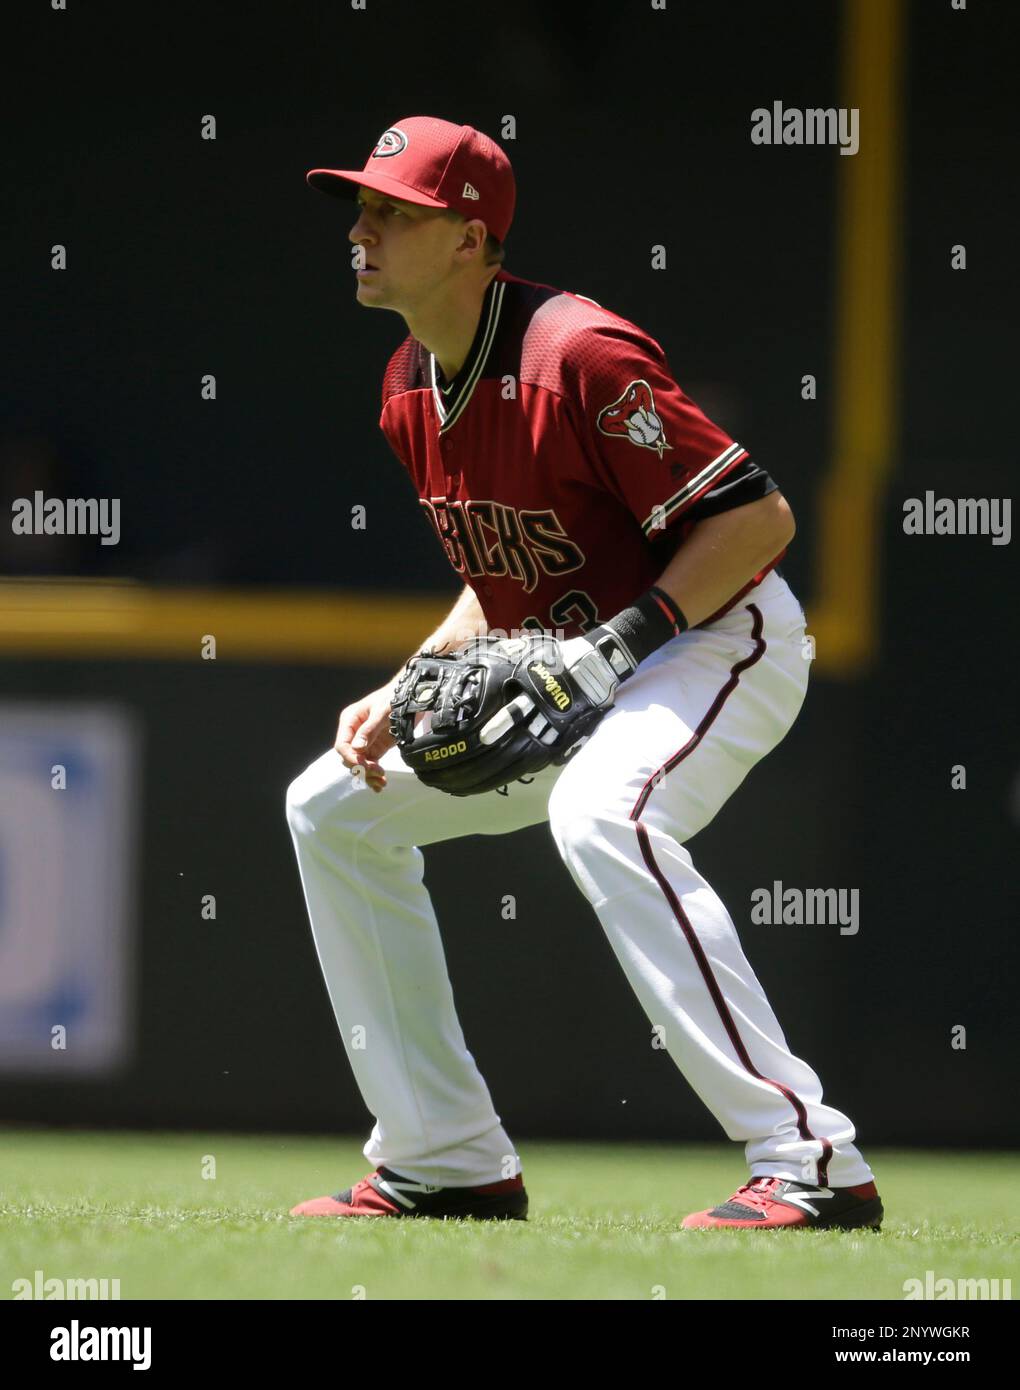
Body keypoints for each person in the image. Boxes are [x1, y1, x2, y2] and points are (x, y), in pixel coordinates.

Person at [285, 116, 883, 1230]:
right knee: (329, 807)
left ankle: (811, 1158)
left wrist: (614, 649)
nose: (359, 229)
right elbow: (501, 580)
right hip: (572, 668)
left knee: (604, 815)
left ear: (470, 238)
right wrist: (408, 676)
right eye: (359, 207)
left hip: (716, 638)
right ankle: (446, 1156)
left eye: (390, 210)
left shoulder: (579, 355)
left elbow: (758, 520)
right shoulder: (408, 387)